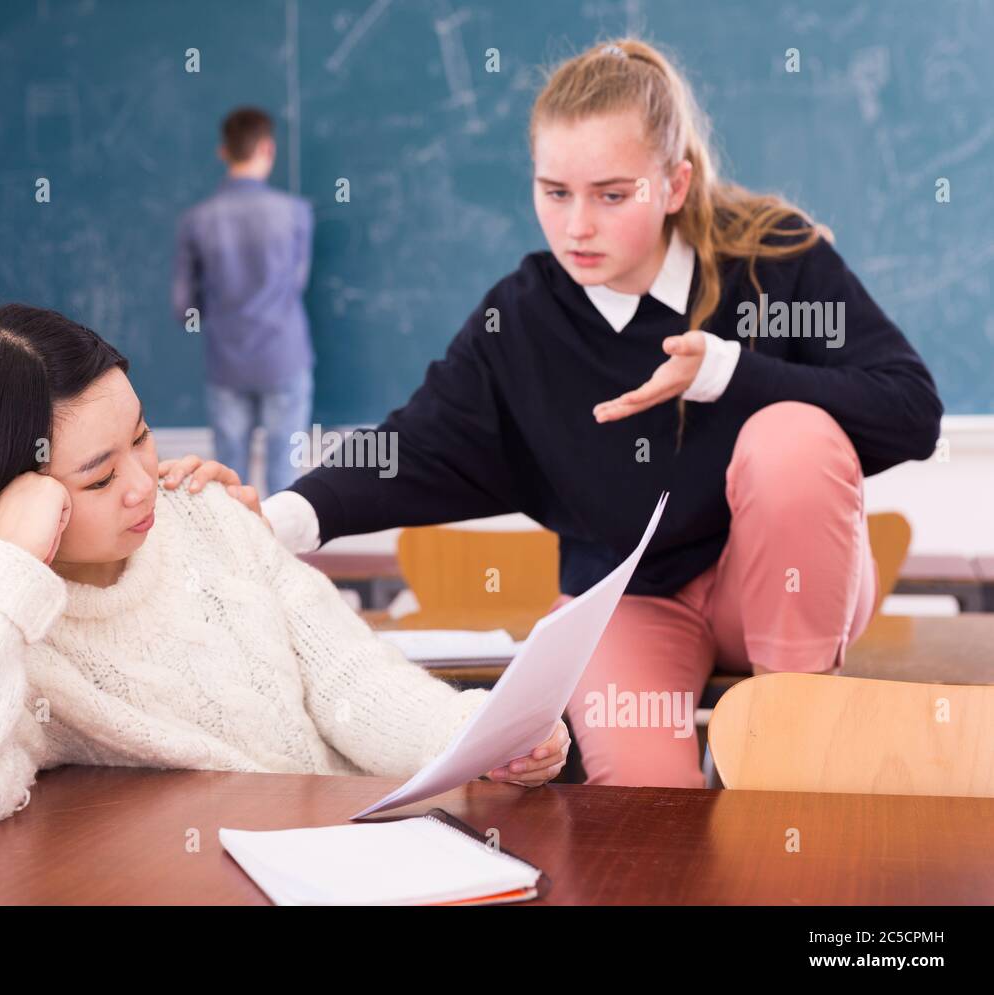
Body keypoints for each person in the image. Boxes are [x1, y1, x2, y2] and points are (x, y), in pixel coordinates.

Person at [203, 38, 943, 789]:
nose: (577, 227)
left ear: (675, 184)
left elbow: (910, 408)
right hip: (631, 601)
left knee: (792, 433)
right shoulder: (521, 320)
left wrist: (731, 372)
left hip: (779, 597)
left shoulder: (775, 258)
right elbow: (415, 442)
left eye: (612, 194)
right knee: (647, 813)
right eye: (555, 192)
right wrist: (279, 517)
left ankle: (794, 748)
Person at [0, 304, 567, 835]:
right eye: (100, 477)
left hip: (347, 845)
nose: (144, 483)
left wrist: (480, 734)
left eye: (140, 436)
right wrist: (5, 569)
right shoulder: (5, 631)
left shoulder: (201, 513)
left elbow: (350, 677)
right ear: (12, 496)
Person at [172, 106, 314, 495]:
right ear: (268, 148)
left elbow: (183, 307)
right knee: (284, 472)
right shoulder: (296, 214)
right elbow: (297, 282)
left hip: (226, 361)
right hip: (284, 356)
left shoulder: (197, 220)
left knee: (225, 481)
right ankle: (278, 551)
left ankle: (234, 554)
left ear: (223, 152)